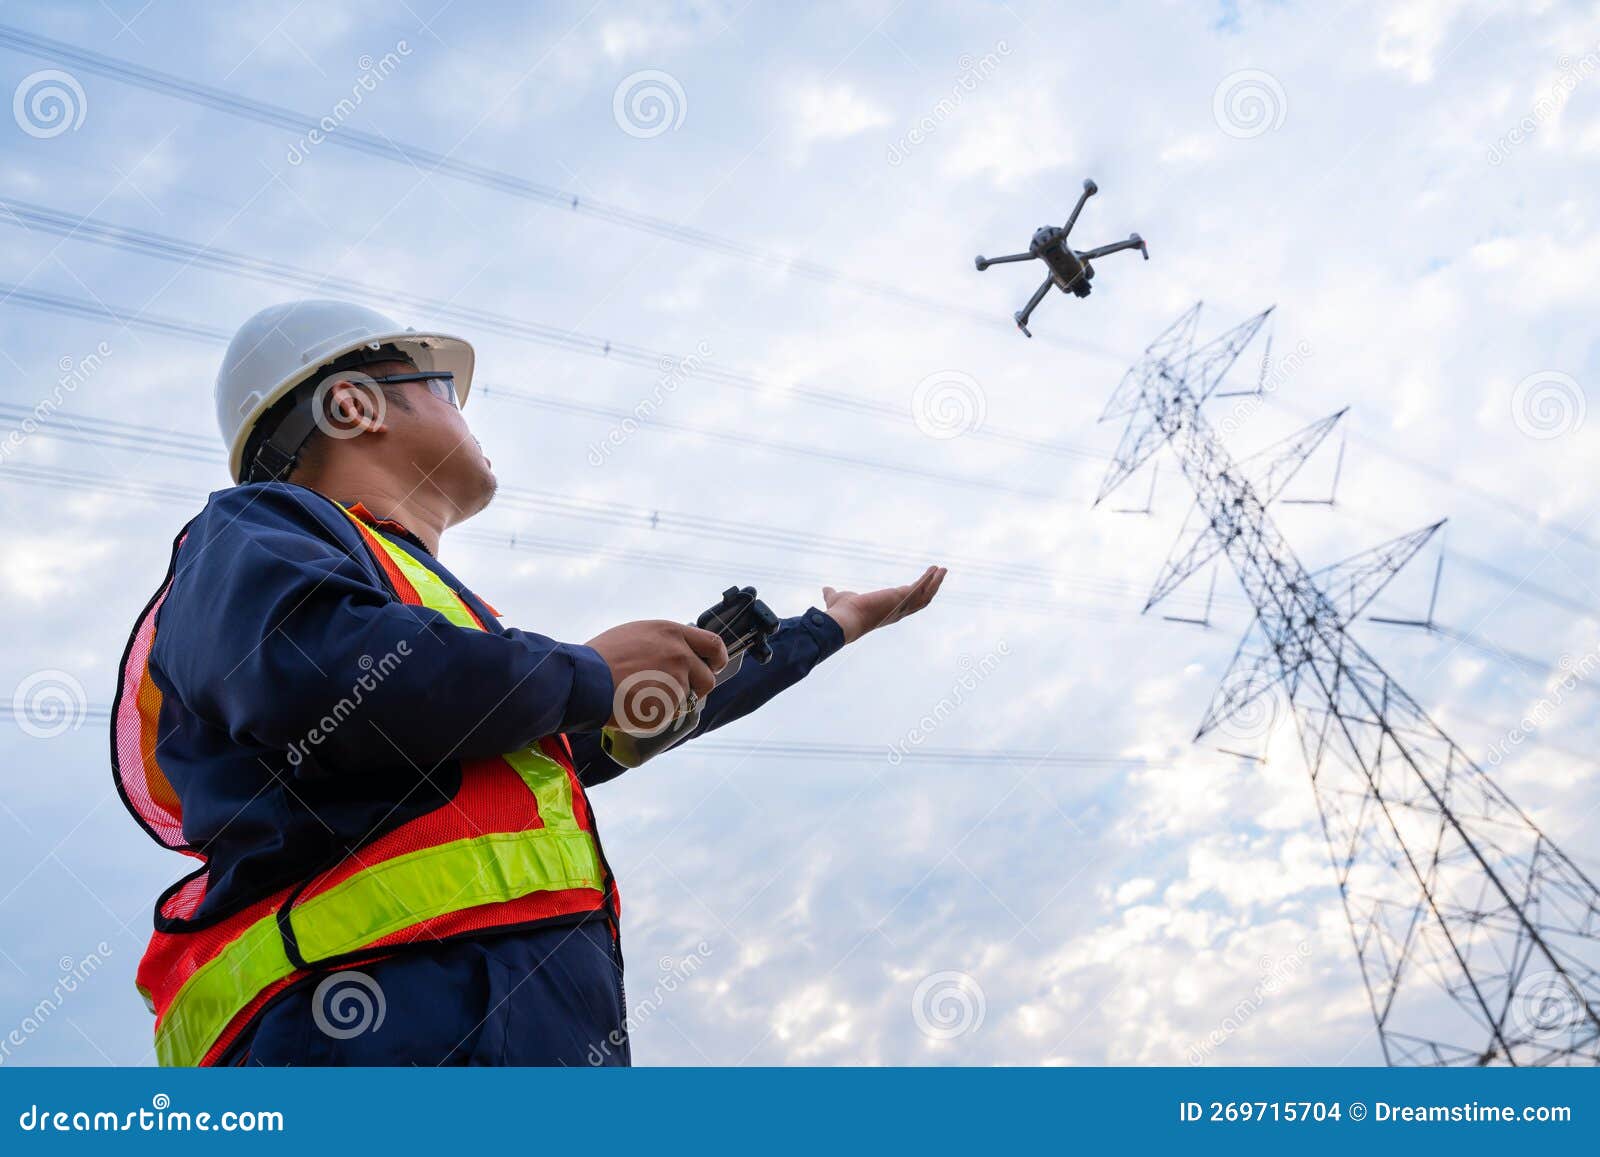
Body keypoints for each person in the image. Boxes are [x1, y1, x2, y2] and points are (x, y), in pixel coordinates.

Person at [111, 300, 945, 1066]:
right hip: (366, 1018)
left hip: (515, 1010)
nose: (463, 411)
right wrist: (588, 672)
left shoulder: (442, 620)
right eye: (441, 383)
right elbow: (323, 674)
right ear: (355, 404)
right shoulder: (250, 530)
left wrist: (832, 628)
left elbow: (553, 717)